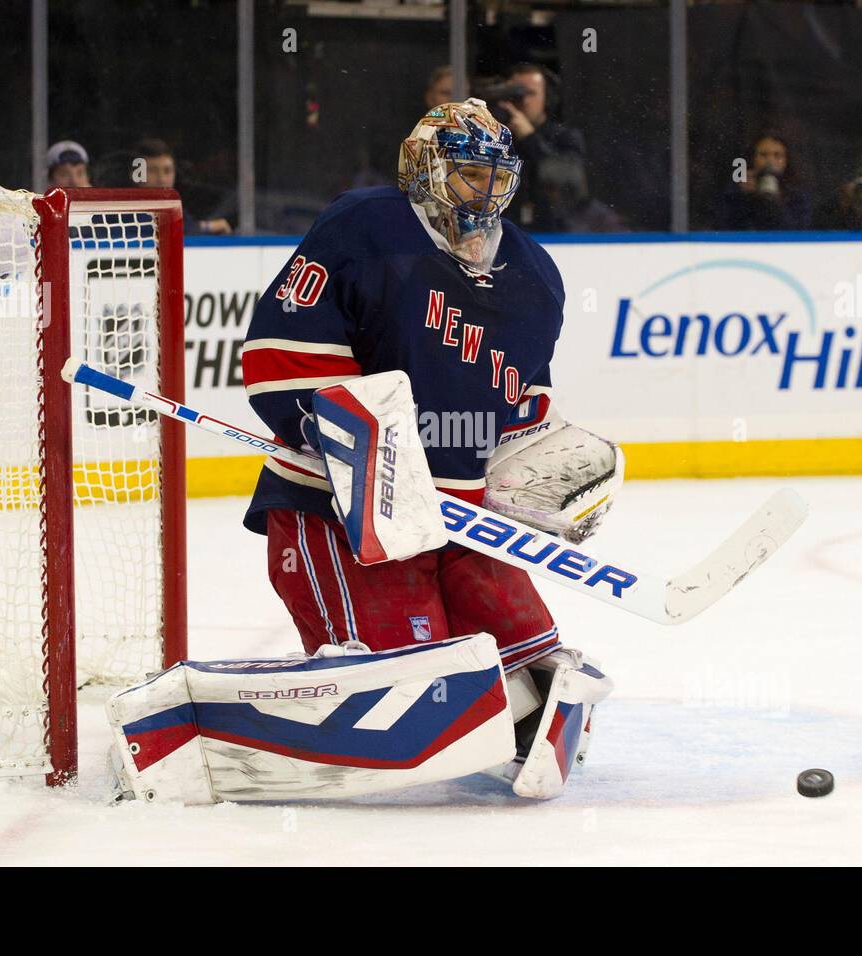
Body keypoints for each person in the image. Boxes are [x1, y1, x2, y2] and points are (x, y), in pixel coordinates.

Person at [230, 99, 618, 799]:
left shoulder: (534, 275)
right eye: (470, 174)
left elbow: (521, 407)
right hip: (343, 517)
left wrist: (537, 477)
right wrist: (356, 445)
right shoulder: (363, 228)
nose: (487, 191)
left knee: (531, 662)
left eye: (497, 176)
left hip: (462, 525)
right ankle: (263, 724)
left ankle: (510, 718)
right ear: (425, 169)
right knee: (417, 682)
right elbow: (277, 361)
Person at [493, 63, 586, 231]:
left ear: (547, 97)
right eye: (517, 94)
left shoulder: (565, 136)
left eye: (531, 93)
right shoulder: (497, 137)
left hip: (555, 231)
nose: (525, 101)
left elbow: (567, 177)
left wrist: (530, 138)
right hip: (505, 230)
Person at [713, 131, 811, 231]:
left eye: (777, 156)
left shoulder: (796, 193)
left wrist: (776, 201)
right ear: (753, 158)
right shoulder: (738, 187)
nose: (770, 161)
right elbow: (723, 226)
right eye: (763, 155)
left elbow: (798, 231)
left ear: (786, 161)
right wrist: (743, 196)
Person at [132, 137, 231, 234]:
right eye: (152, 171)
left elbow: (188, 226)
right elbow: (159, 230)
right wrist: (208, 226)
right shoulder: (125, 209)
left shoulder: (173, 207)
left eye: (167, 171)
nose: (161, 179)